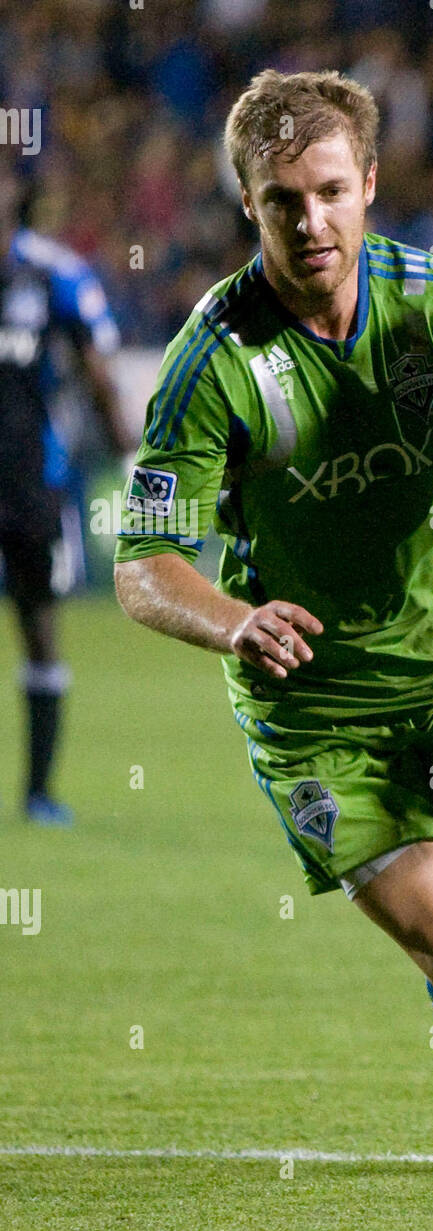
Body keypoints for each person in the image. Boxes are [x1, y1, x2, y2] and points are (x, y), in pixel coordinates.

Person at [114, 69, 433, 1176]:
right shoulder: (211, 364)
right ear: (246, 206)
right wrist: (234, 623)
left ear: (370, 186)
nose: (311, 221)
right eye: (280, 201)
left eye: (330, 191)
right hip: (318, 718)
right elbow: (144, 565)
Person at [0, 160, 129, 825]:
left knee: (40, 626)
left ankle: (39, 791)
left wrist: (129, 454)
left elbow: (97, 370)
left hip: (28, 485)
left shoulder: (52, 274)